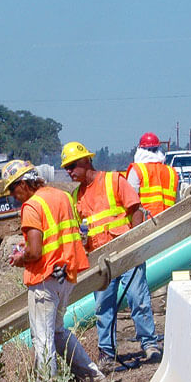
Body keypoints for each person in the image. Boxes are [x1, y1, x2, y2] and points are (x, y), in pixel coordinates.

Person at [1, 159, 103, 382]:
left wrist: (21, 258)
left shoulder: (31, 206)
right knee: (57, 332)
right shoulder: (62, 196)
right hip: (65, 275)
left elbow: (35, 251)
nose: (13, 196)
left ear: (24, 183)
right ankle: (92, 377)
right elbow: (63, 235)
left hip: (44, 279)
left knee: (43, 337)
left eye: (13, 189)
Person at [59, 141, 159, 368]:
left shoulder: (113, 181)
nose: (69, 172)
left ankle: (149, 344)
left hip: (125, 251)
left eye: (72, 166)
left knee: (137, 297)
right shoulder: (76, 196)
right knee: (103, 305)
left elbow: (134, 210)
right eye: (66, 168)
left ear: (86, 161)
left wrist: (135, 243)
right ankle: (107, 352)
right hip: (99, 258)